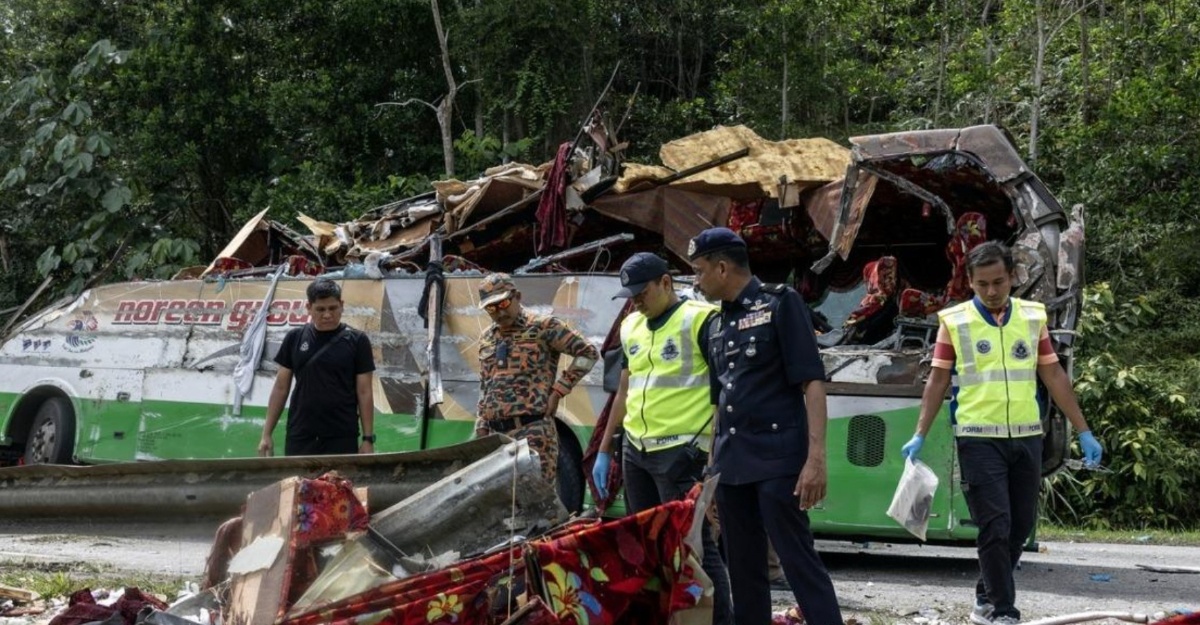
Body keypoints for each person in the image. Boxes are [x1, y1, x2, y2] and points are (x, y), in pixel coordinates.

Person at [901, 241, 1103, 625]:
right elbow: (938, 380)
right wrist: (920, 433)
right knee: (995, 524)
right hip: (978, 438)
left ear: (1012, 277)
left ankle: (984, 595)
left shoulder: (1032, 317)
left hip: (1027, 436)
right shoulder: (955, 321)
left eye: (998, 282)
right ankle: (1002, 609)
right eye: (982, 285)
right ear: (970, 283)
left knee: (1020, 526)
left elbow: (1053, 373)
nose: (991, 292)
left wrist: (1084, 430)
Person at [688, 227, 843, 625]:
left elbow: (812, 382)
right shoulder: (714, 326)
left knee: (797, 562)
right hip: (733, 466)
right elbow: (720, 404)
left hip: (777, 461)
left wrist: (816, 459)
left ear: (722, 267)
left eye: (700, 270)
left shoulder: (779, 304)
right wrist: (712, 475)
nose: (696, 280)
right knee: (743, 570)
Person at [592, 252, 733, 625]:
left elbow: (723, 396)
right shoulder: (631, 326)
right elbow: (623, 391)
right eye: (630, 295)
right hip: (636, 450)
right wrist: (605, 450)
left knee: (695, 547)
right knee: (645, 545)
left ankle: (720, 621)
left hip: (681, 453)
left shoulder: (701, 319)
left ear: (666, 282)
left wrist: (712, 459)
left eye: (642, 292)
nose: (635, 300)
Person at [475, 272, 599, 482]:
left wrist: (559, 390)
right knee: (503, 505)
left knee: (537, 502)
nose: (499, 313)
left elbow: (588, 353)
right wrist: (481, 425)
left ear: (517, 296)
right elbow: (486, 384)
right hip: (496, 436)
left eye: (503, 303)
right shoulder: (487, 337)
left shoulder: (544, 326)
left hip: (532, 431)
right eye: (491, 308)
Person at [259, 278, 376, 456]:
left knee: (339, 483)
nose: (327, 315)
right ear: (309, 308)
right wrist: (266, 434)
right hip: (301, 434)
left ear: (342, 305)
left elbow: (364, 392)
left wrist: (368, 440)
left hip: (341, 436)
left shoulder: (358, 341)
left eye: (333, 308)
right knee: (298, 484)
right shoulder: (294, 338)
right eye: (320, 309)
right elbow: (281, 388)